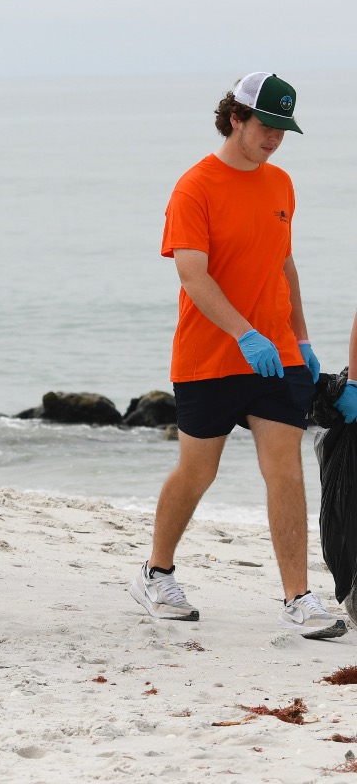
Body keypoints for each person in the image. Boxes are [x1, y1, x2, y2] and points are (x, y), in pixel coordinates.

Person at [129, 72, 346, 639]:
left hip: (277, 358)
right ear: (235, 119)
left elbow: (285, 264)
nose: (275, 138)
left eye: (283, 129)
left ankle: (298, 597)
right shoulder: (194, 187)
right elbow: (193, 276)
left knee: (285, 469)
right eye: (266, 126)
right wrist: (244, 332)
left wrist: (298, 336)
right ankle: (156, 573)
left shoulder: (282, 185)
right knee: (198, 472)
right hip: (209, 358)